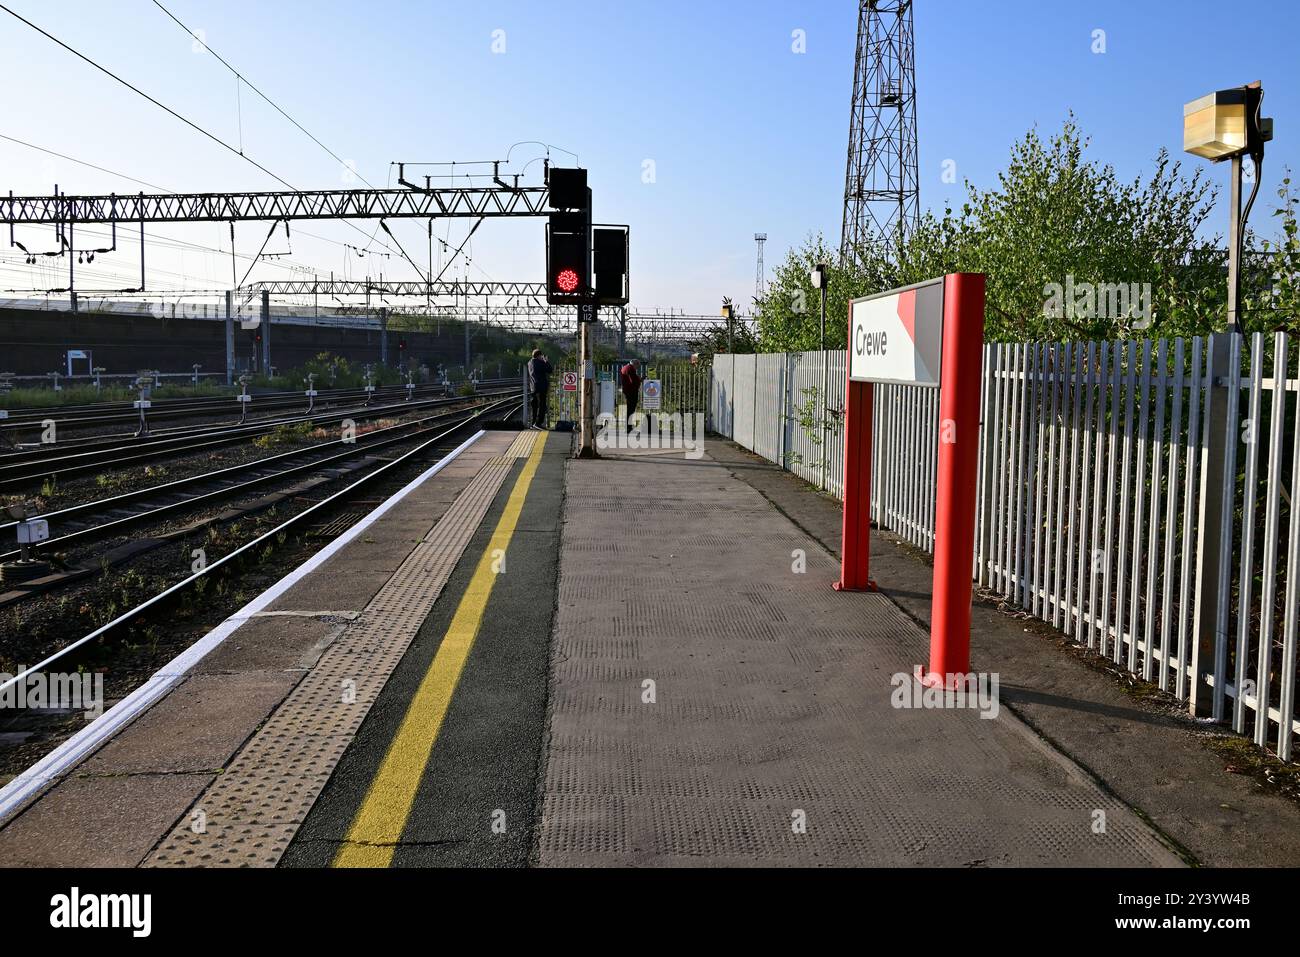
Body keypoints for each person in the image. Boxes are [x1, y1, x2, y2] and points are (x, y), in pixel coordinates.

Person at [527, 349, 552, 429]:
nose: (542, 357)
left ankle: (533, 423)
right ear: (539, 356)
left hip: (533, 388)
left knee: (534, 406)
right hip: (541, 387)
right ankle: (538, 423)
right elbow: (549, 370)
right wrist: (546, 361)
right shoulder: (540, 362)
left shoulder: (529, 363)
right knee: (542, 406)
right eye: (541, 356)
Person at [620, 358, 643, 432]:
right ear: (635, 364)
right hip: (631, 391)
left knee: (629, 409)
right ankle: (628, 427)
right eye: (637, 366)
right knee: (631, 409)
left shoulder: (624, 368)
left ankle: (628, 426)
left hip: (627, 390)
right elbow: (633, 380)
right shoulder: (630, 369)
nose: (637, 368)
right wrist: (640, 380)